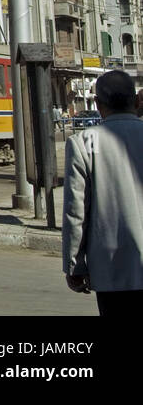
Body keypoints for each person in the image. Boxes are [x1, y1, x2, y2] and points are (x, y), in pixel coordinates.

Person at [63, 70, 143, 315]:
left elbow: (76, 211)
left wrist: (74, 265)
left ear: (97, 104)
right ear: (137, 101)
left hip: (111, 271)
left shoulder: (84, 142)